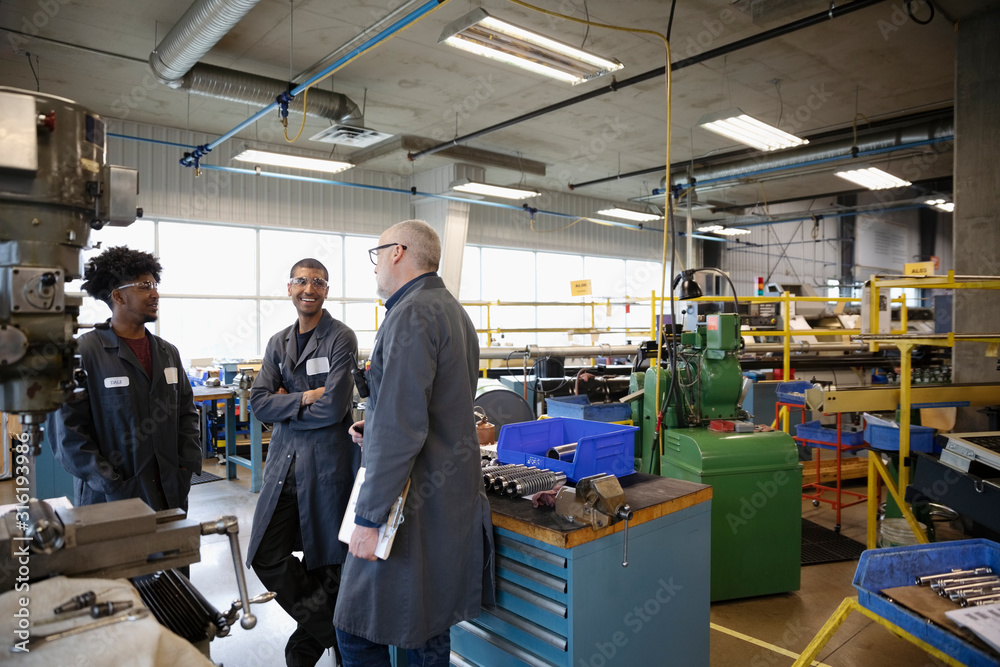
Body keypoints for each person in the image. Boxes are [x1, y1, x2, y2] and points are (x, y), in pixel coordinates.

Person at [333, 220, 495, 667]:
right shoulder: (452, 311)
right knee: (427, 629)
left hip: (410, 505)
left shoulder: (410, 314)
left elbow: (405, 429)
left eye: (377, 254)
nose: (375, 267)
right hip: (446, 500)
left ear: (398, 252)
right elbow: (429, 407)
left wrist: (368, 518)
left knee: (354, 629)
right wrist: (378, 423)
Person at [246, 258, 359, 667]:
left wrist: (286, 404)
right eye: (301, 281)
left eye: (317, 282)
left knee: (327, 561)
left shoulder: (340, 338)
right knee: (266, 555)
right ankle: (333, 633)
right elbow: (258, 402)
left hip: (328, 468)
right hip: (284, 467)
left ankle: (306, 649)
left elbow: (333, 409)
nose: (308, 288)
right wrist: (306, 397)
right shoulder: (278, 342)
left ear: (326, 291)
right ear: (289, 288)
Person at [47, 246, 202, 512]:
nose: (155, 293)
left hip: (170, 492)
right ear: (118, 296)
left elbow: (186, 414)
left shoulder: (168, 353)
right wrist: (109, 482)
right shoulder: (83, 354)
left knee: (171, 552)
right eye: (144, 286)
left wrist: (186, 466)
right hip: (111, 499)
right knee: (119, 554)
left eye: (154, 284)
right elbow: (67, 434)